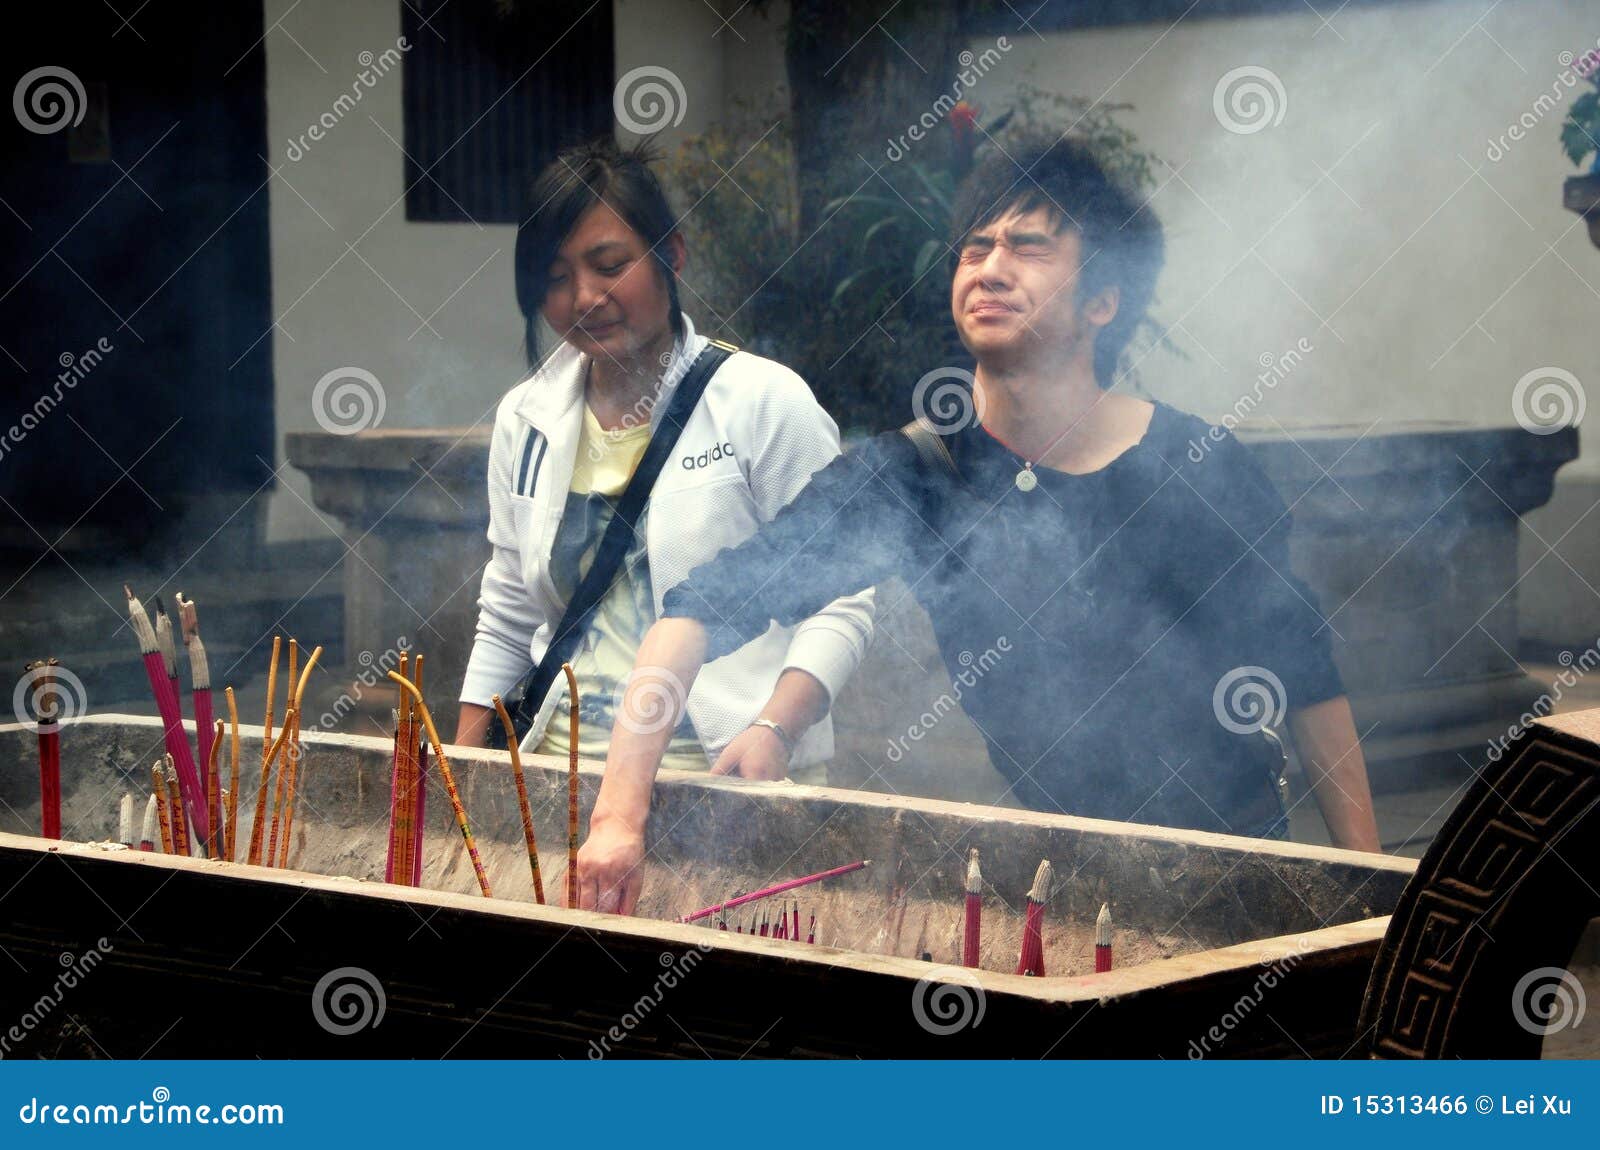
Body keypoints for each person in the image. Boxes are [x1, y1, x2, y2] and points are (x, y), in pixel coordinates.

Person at [579, 135, 1382, 913]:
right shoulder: (920, 476)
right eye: (975, 247)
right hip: (1067, 882)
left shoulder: (1196, 466)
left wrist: (1371, 891)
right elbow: (698, 609)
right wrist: (619, 818)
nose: (990, 268)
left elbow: (1307, 679)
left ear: (1104, 300)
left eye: (1028, 247)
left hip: (1230, 870)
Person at [454, 140, 874, 822]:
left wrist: (775, 729)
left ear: (671, 256)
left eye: (610, 265)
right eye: (555, 277)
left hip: (722, 779)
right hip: (555, 778)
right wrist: (463, 780)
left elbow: (843, 598)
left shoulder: (763, 402)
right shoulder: (524, 418)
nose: (585, 298)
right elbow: (508, 614)